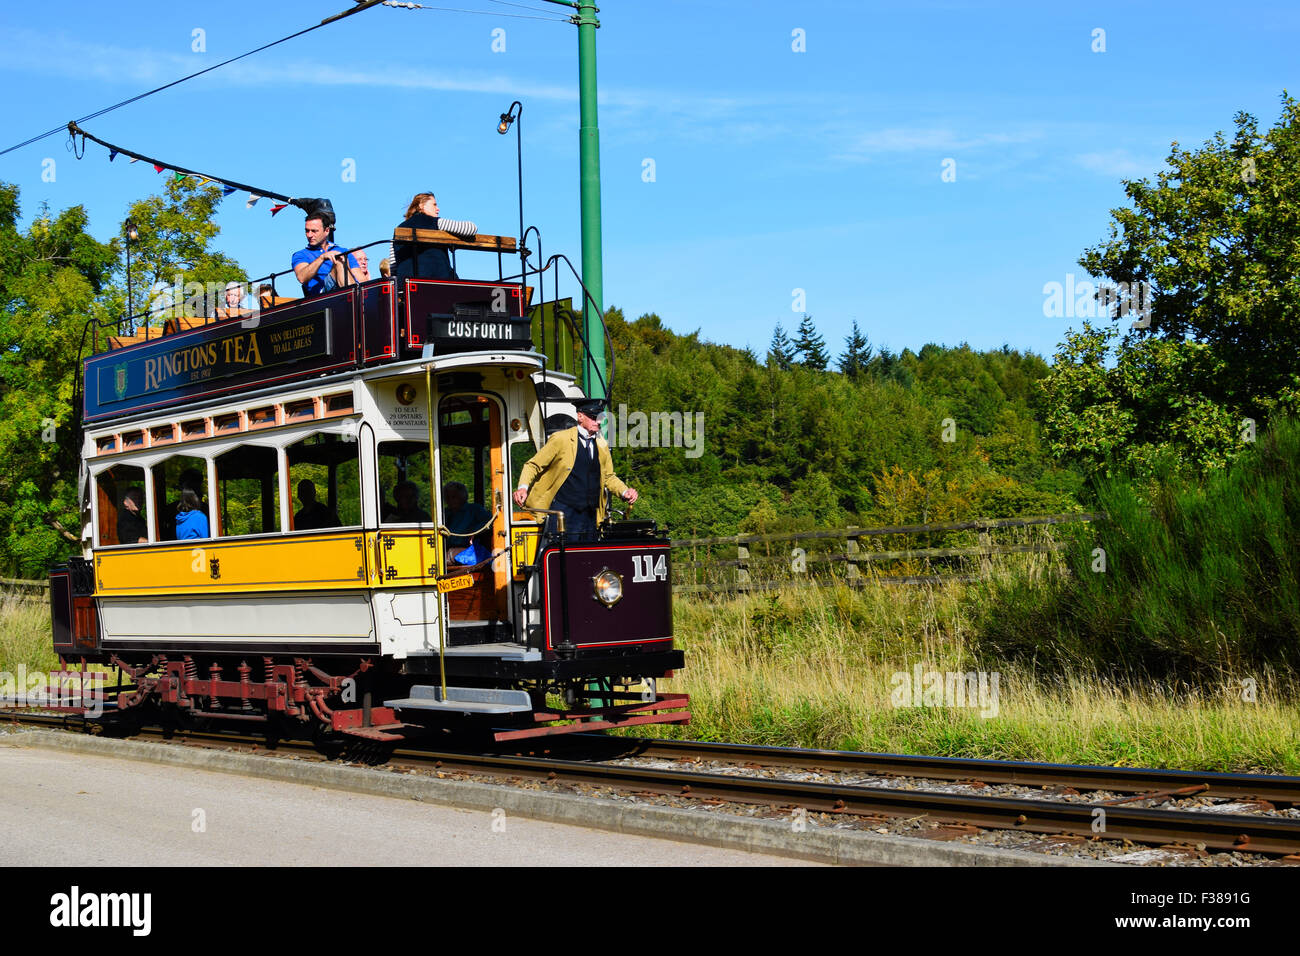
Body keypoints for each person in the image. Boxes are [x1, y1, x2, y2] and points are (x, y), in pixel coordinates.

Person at [513, 398, 638, 538]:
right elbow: (533, 465)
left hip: (591, 517)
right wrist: (523, 487)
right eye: (593, 417)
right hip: (563, 515)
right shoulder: (561, 439)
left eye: (600, 417)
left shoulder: (602, 445)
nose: (598, 421)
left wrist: (625, 491)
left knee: (587, 557)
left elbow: (608, 476)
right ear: (580, 416)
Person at [392, 192, 477, 280]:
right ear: (421, 206)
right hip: (438, 283)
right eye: (434, 205)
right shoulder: (436, 222)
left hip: (406, 285)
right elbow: (471, 228)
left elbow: (393, 265)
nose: (438, 209)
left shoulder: (398, 229)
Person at [292, 209, 365, 297]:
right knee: (339, 260)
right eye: (307, 231)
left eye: (314, 231)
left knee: (342, 257)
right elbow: (302, 277)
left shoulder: (343, 250)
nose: (309, 235)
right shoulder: (301, 254)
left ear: (326, 231)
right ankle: (355, 301)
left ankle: (357, 299)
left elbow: (362, 280)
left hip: (349, 288)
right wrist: (322, 258)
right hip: (322, 297)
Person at [442, 480, 490, 559]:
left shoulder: (474, 509)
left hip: (466, 549)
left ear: (462, 496)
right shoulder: (444, 513)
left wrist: (474, 532)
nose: (450, 500)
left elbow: (489, 522)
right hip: (445, 548)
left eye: (454, 497)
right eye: (447, 497)